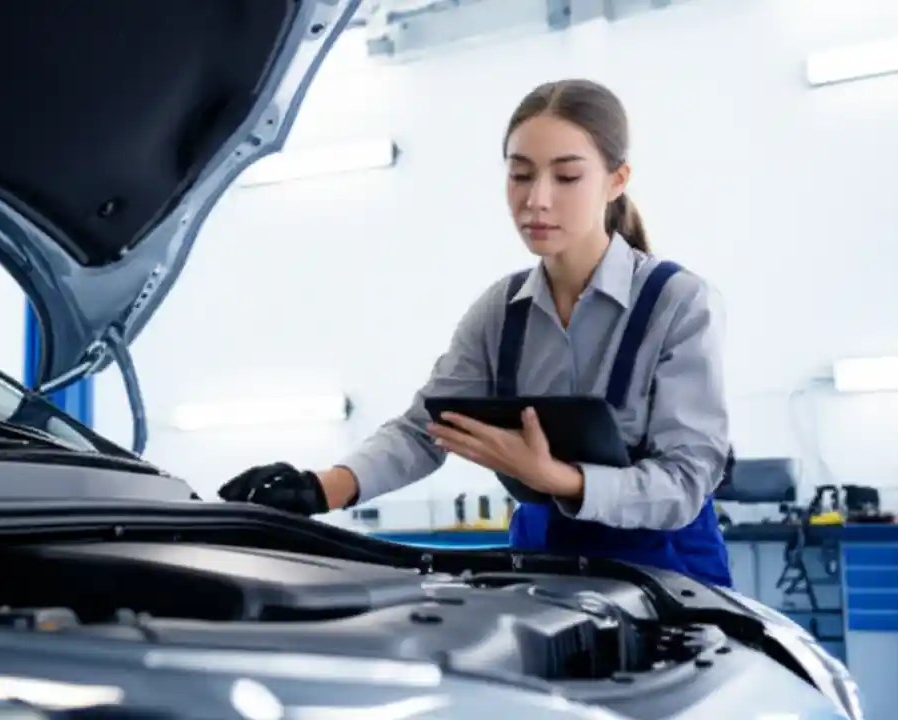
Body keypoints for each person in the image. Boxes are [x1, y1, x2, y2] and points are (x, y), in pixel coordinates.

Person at [217, 78, 733, 587]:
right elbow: (427, 429)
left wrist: (556, 479)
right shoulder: (501, 312)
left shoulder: (678, 303)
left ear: (617, 180)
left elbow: (686, 482)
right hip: (547, 570)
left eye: (567, 177)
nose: (537, 200)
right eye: (521, 175)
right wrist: (320, 489)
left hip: (672, 580)